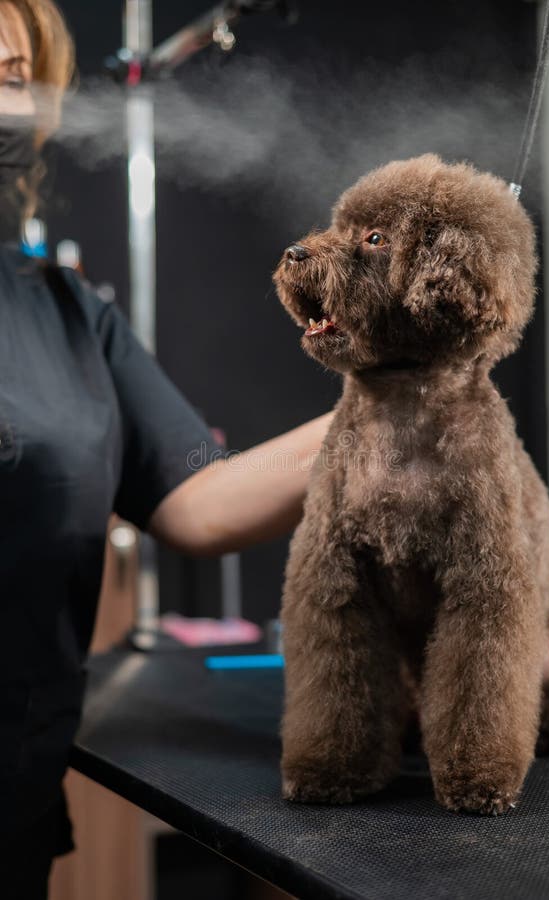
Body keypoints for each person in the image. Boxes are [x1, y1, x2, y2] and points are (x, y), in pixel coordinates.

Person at [0, 1, 332, 896]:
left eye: (15, 76)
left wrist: (389, 408)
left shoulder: (65, 309)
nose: (4, 92)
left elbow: (194, 498)